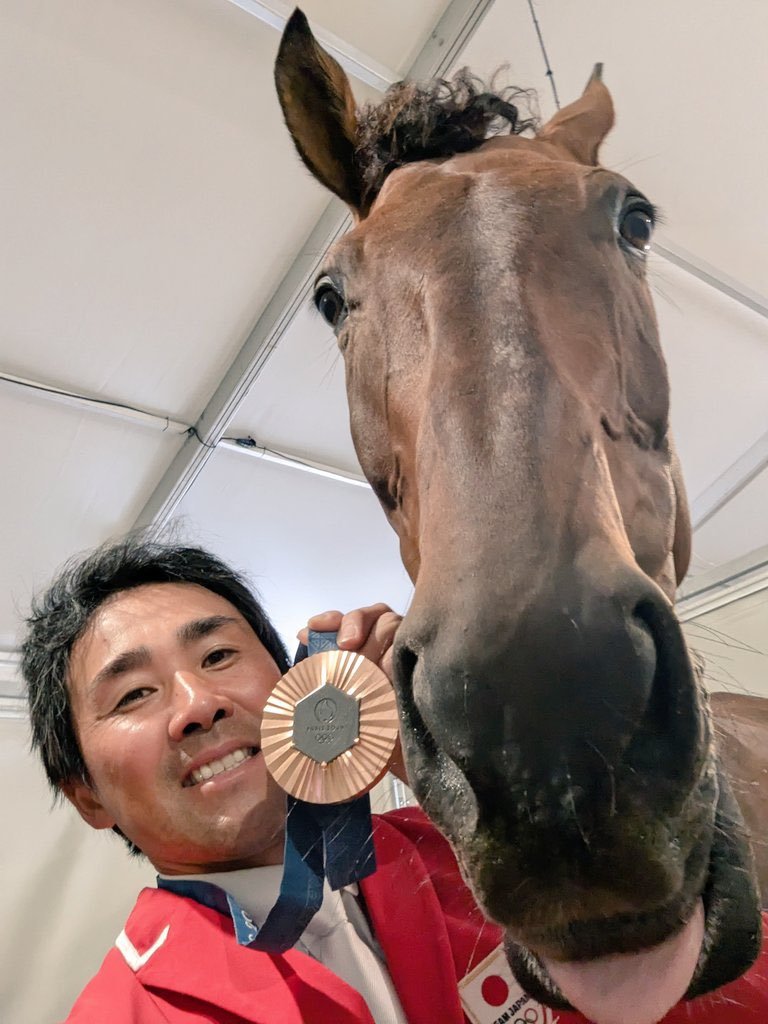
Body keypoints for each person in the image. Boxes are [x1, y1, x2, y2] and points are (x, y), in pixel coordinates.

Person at [22, 535, 768, 1024]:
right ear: (85, 793)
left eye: (218, 656)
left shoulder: (473, 856)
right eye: (133, 696)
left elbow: (729, 993)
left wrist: (472, 776)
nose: (199, 704)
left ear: (294, 684)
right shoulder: (123, 1012)